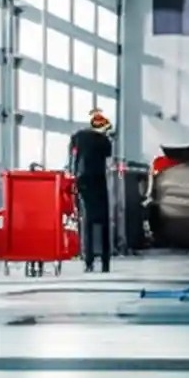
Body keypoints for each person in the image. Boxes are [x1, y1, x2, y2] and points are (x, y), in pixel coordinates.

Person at [69, 109, 114, 273]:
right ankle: (105, 261)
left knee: (86, 221)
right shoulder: (104, 140)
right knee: (103, 222)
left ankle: (88, 261)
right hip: (99, 181)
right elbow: (109, 158)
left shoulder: (77, 138)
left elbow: (73, 159)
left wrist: (73, 177)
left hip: (83, 181)